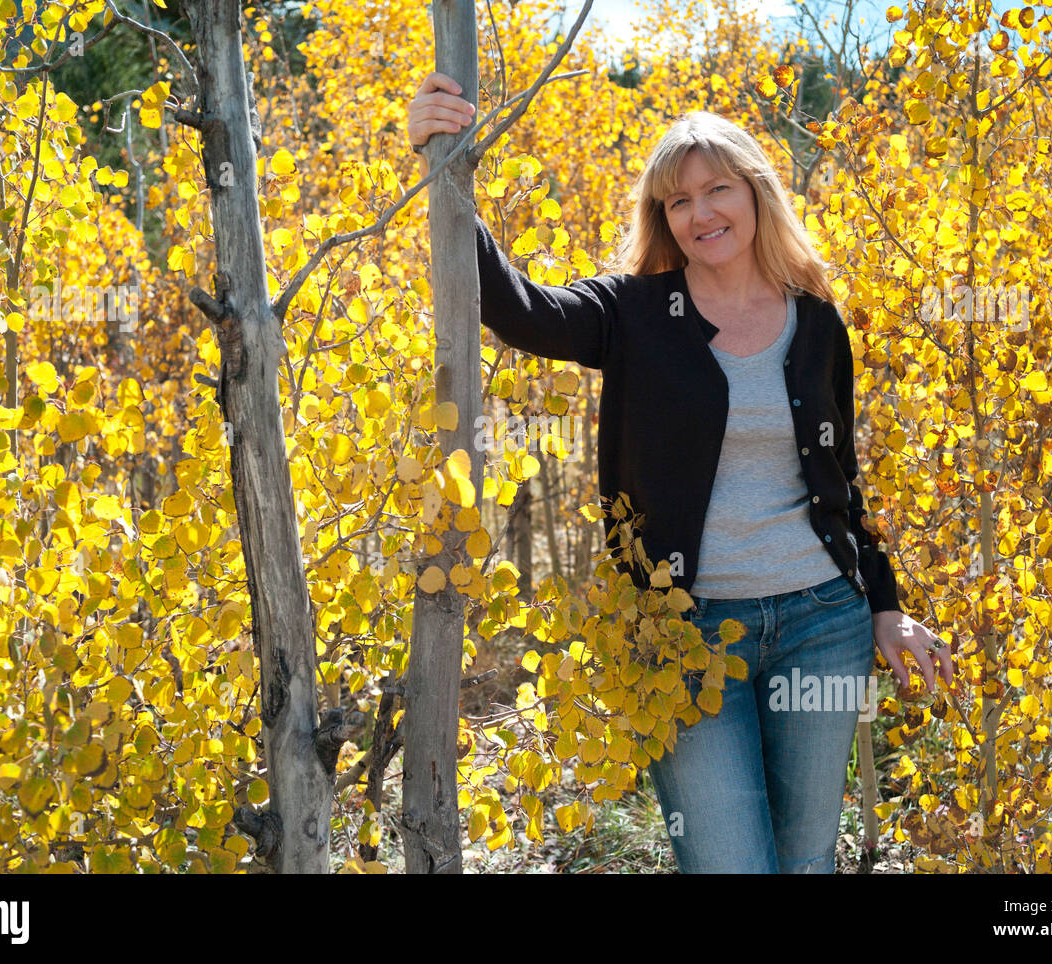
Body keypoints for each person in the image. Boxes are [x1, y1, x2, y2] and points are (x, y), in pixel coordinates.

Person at [406, 71, 954, 873]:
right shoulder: (634, 313)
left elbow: (842, 477)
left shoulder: (817, 320)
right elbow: (515, 308)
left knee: (805, 862)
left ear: (757, 193)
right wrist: (441, 163)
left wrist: (885, 606)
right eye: (677, 201)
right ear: (662, 218)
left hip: (821, 624)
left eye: (716, 190)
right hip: (682, 635)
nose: (700, 213)